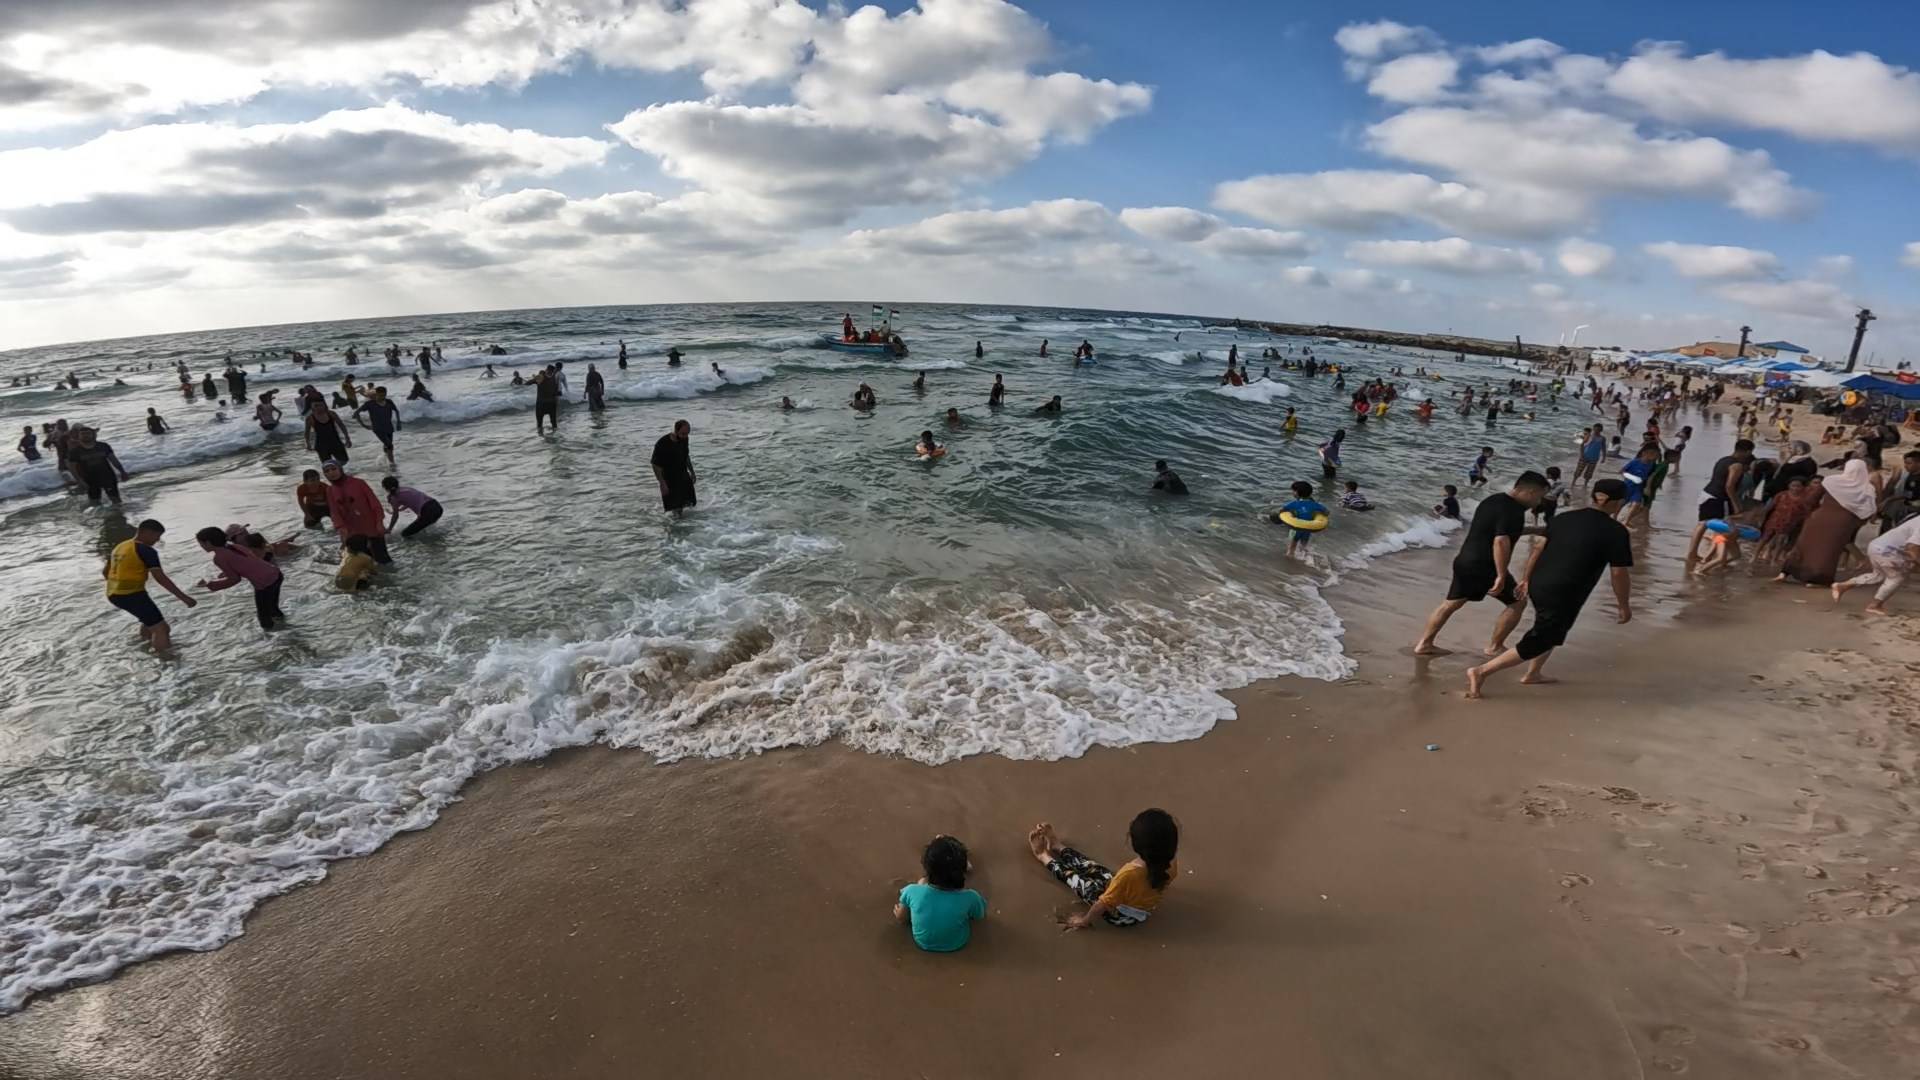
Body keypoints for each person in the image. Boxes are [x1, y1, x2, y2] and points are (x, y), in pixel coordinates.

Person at [1466, 480, 1634, 699]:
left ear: (1594, 496)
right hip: (1567, 589)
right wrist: (1624, 606)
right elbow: (1618, 573)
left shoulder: (1563, 518)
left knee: (1551, 628)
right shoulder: (1616, 532)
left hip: (1540, 582)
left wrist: (1526, 579)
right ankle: (1481, 672)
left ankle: (1533, 673)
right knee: (1544, 636)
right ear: (1620, 502)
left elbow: (1538, 548)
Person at [1414, 472, 1546, 656]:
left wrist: (1536, 530)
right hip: (1486, 566)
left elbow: (1502, 529)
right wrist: (1500, 574)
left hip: (1465, 560)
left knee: (1450, 604)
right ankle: (1495, 647)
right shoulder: (1513, 510)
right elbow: (1501, 541)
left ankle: (1424, 644)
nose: (1539, 502)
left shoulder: (1494, 500)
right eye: (1540, 496)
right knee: (1518, 602)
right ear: (1530, 491)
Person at [1027, 810, 1178, 930]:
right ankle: (1058, 847)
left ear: (1136, 845)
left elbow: (1102, 904)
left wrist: (1084, 921)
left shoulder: (1129, 873)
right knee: (1093, 868)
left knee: (1077, 880)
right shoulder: (1171, 863)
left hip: (1120, 916)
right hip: (1136, 904)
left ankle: (1044, 856)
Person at [1779, 459, 1877, 587]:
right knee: (1828, 551)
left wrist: (1812, 513)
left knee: (1804, 545)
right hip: (1843, 523)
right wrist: (1855, 523)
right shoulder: (1867, 488)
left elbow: (1810, 500)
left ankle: (1785, 572)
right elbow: (1869, 510)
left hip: (1819, 516)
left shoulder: (1831, 481)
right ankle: (1816, 580)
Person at [104, 518, 196, 650]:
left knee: (149, 623)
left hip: (114, 593)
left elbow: (105, 572)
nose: (157, 540)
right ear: (146, 532)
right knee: (162, 629)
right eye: (157, 536)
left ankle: (145, 646)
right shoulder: (146, 551)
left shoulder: (120, 546)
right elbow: (160, 578)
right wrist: (184, 598)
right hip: (132, 595)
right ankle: (165, 661)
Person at [193, 526, 285, 631]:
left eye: (201, 544)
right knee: (273, 609)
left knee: (263, 617)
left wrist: (213, 585)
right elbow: (250, 561)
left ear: (208, 543)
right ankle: (285, 627)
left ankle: (273, 639)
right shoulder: (233, 546)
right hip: (275, 574)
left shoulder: (219, 558)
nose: (201, 547)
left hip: (264, 583)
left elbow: (235, 579)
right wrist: (227, 572)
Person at [1833, 512, 1920, 614]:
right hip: (1888, 551)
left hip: (1878, 545)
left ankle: (1843, 586)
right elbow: (1912, 547)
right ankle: (1875, 605)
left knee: (1878, 575)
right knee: (1897, 577)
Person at [1684, 440, 1755, 563]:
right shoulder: (1737, 465)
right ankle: (1716, 557)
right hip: (1719, 498)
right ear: (1748, 452)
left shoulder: (1723, 460)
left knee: (1702, 524)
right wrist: (1736, 504)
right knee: (1721, 528)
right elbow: (1729, 486)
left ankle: (1692, 554)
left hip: (1707, 493)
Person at [322, 461, 391, 566]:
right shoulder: (330, 490)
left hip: (372, 527)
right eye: (327, 471)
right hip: (353, 533)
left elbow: (375, 504)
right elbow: (335, 512)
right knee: (363, 563)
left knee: (383, 561)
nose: (331, 473)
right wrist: (341, 529)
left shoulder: (359, 483)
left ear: (340, 469)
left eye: (333, 469)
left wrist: (379, 522)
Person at [66, 427, 129, 506]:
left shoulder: (103, 446)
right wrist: (79, 481)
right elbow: (72, 468)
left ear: (93, 435)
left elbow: (114, 460)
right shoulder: (75, 451)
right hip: (89, 479)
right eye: (82, 434)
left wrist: (122, 472)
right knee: (95, 503)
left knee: (116, 499)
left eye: (88, 433)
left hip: (108, 476)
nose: (85, 435)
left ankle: (118, 516)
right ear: (78, 436)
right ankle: (101, 517)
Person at [651, 420, 697, 518]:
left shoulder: (684, 439)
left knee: (689, 504)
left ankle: (686, 527)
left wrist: (692, 472)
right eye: (683, 434)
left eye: (687, 434)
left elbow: (686, 456)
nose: (685, 436)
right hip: (669, 479)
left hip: (683, 475)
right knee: (674, 509)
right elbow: (655, 465)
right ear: (676, 430)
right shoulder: (663, 443)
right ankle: (674, 529)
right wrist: (662, 483)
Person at [1277, 480, 1328, 559]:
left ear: (1297, 493)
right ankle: (1304, 557)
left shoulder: (1294, 503)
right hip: (1307, 529)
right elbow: (1326, 512)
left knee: (1293, 543)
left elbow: (1282, 510)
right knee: (1304, 543)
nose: (1292, 492)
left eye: (1293, 491)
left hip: (1296, 528)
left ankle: (1290, 556)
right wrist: (1319, 514)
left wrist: (1290, 513)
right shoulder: (1315, 504)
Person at [355, 387, 402, 464]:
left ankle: (385, 457)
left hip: (389, 427)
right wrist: (364, 425)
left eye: (384, 395)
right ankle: (392, 464)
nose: (382, 397)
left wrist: (398, 422)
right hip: (377, 428)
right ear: (376, 394)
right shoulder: (370, 404)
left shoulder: (389, 402)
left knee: (387, 444)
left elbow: (396, 411)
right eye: (380, 395)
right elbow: (356, 413)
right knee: (390, 445)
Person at [305, 400, 352, 464]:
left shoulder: (331, 414)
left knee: (344, 461)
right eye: (316, 406)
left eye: (321, 405)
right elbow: (307, 432)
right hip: (321, 445)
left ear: (324, 405)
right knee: (327, 464)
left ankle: (340, 472)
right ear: (312, 407)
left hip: (336, 442)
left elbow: (341, 425)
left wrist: (347, 438)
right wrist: (308, 444)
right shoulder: (310, 418)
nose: (319, 407)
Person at [533, 365, 560, 435]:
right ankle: (556, 437)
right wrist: (556, 403)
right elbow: (557, 393)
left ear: (547, 370)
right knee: (554, 423)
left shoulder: (541, 377)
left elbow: (529, 382)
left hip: (541, 404)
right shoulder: (554, 379)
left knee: (539, 423)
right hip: (552, 403)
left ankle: (541, 436)